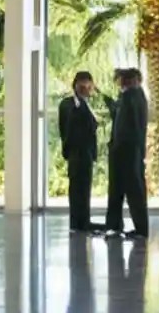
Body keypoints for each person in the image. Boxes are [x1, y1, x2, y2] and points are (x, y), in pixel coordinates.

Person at [103, 67, 149, 239]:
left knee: (129, 190)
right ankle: (119, 226)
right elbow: (119, 113)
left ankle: (128, 228)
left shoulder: (131, 97)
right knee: (125, 189)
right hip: (128, 151)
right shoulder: (133, 97)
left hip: (126, 152)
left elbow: (127, 126)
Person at [59, 71, 101, 234]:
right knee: (77, 188)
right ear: (76, 86)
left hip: (86, 153)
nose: (87, 89)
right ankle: (77, 222)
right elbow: (70, 126)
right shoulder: (69, 104)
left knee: (84, 188)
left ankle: (84, 220)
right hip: (77, 153)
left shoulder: (84, 103)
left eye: (88, 85)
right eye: (83, 86)